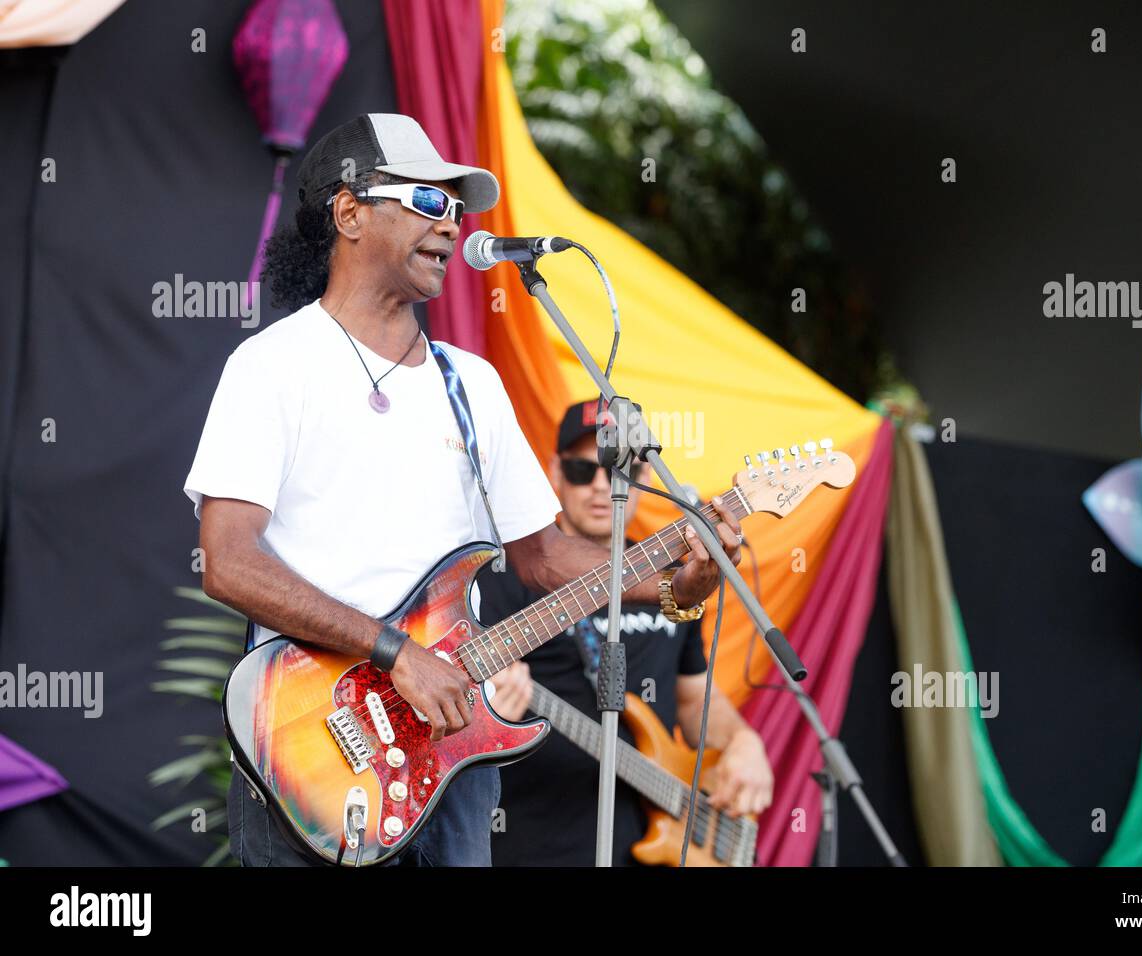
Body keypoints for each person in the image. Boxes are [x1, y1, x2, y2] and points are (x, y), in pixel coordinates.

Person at [182, 114, 740, 866]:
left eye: (457, 209)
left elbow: (541, 557)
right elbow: (229, 562)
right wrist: (394, 654)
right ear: (349, 212)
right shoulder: (273, 366)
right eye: (428, 202)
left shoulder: (470, 384)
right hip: (312, 749)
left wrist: (675, 578)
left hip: (451, 753)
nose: (451, 225)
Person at [480, 399, 773, 866]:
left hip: (648, 845)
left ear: (647, 480)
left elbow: (695, 700)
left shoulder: (672, 578)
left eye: (620, 472)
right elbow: (455, 690)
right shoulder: (507, 572)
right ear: (554, 472)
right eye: (582, 470)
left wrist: (743, 741)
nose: (601, 486)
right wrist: (486, 710)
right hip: (532, 842)